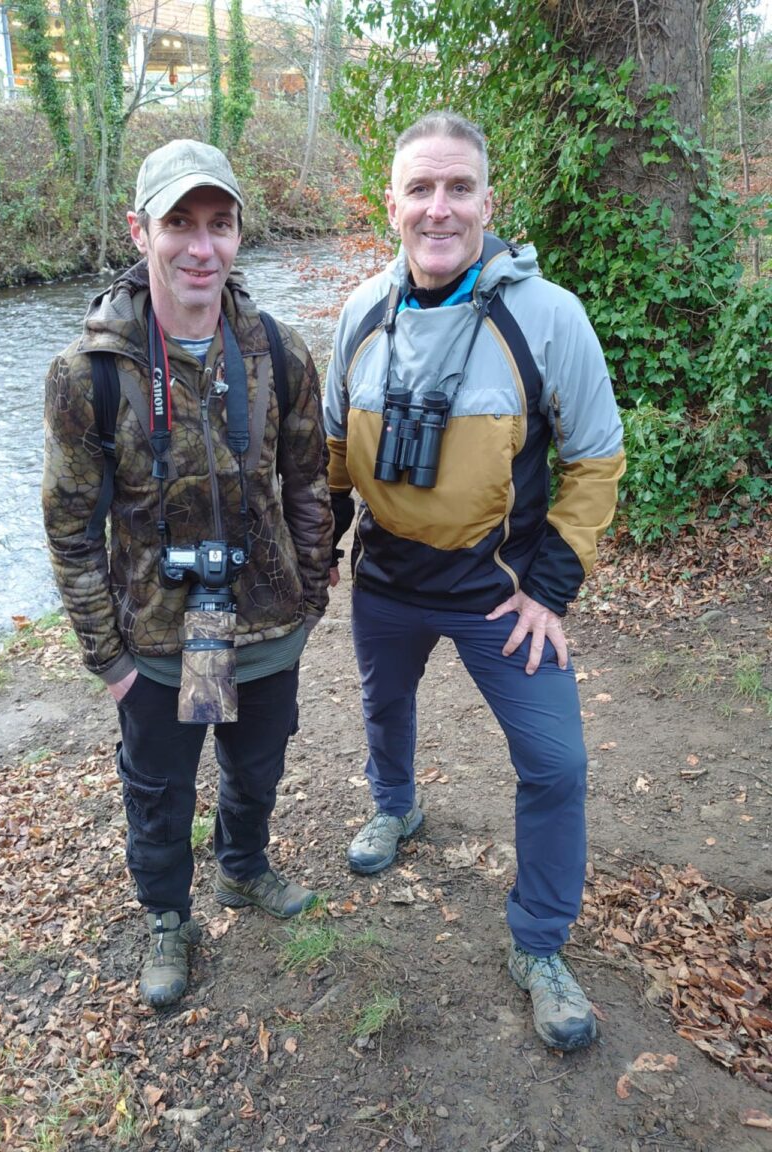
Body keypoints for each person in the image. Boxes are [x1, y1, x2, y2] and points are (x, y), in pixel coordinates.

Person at [324, 112, 625, 1052]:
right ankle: (395, 802)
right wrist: (314, 559)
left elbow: (597, 458)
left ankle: (538, 945)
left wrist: (551, 590)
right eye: (421, 189)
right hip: (387, 584)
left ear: (490, 203)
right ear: (393, 204)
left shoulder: (548, 317)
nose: (439, 207)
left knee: (557, 765)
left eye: (459, 189)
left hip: (502, 596)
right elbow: (333, 458)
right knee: (384, 704)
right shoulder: (359, 315)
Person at [43, 139, 333, 1009]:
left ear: (240, 234)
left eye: (219, 223)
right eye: (179, 223)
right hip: (157, 644)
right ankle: (168, 916)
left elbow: (311, 482)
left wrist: (309, 600)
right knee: (159, 795)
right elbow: (68, 532)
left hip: (267, 631)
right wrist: (110, 658)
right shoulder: (87, 375)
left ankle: (244, 869)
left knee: (258, 770)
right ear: (142, 231)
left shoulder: (281, 353)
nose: (200, 246)